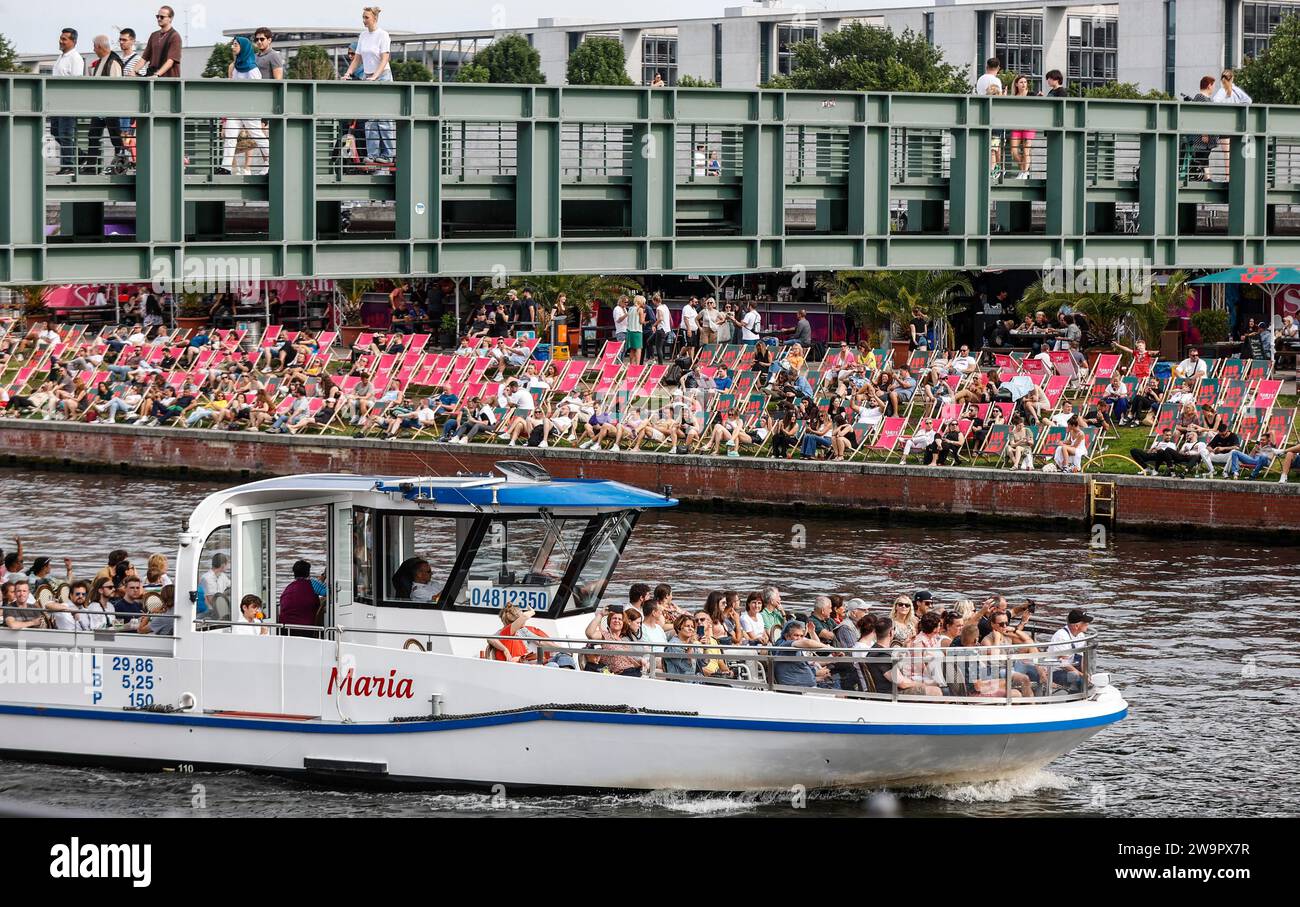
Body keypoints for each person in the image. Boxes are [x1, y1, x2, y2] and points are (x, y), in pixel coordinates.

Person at [343, 6, 396, 165]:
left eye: (366, 17)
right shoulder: (363, 36)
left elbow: (385, 58)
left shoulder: (383, 35)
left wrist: (375, 76)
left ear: (374, 18)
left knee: (383, 118)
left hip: (383, 76)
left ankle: (388, 154)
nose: (364, 20)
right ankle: (373, 155)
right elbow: (357, 58)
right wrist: (348, 73)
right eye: (363, 17)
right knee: (370, 119)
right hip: (369, 77)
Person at [217, 37, 267, 176]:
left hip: (249, 109)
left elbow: (258, 91)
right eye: (233, 44)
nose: (233, 47)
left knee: (257, 135)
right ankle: (225, 167)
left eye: (235, 45)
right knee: (230, 135)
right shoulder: (235, 67)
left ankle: (271, 162)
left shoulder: (252, 69)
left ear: (243, 48)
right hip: (236, 108)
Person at [82, 36, 125, 175]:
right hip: (101, 107)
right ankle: (90, 167)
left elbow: (117, 86)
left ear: (100, 47)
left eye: (94, 46)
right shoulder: (103, 61)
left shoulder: (113, 62)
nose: (93, 49)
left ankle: (120, 166)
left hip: (110, 107)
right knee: (93, 135)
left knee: (115, 137)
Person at [51, 28, 85, 175]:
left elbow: (76, 81)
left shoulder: (75, 58)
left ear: (73, 42)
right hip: (56, 103)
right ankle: (81, 156)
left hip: (67, 103)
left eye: (65, 39)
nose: (61, 41)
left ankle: (68, 166)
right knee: (55, 132)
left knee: (65, 134)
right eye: (61, 38)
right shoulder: (61, 57)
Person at [773, 620, 830, 688]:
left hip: (809, 686)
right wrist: (829, 647)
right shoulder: (785, 644)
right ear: (787, 636)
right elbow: (808, 643)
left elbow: (816, 645)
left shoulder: (797, 648)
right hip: (799, 691)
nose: (799, 638)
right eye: (796, 635)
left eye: (801, 636)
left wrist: (812, 632)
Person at [1048, 609, 1092, 694]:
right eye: (1085, 622)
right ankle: (1073, 700)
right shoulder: (1061, 637)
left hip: (1071, 668)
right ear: (1076, 626)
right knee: (1078, 679)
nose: (1088, 624)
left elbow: (1081, 657)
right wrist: (1080, 674)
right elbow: (1063, 663)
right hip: (1056, 671)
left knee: (1085, 679)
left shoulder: (1081, 635)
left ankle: (1081, 695)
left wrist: (1085, 673)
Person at [279, 559, 324, 636]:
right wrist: (320, 582)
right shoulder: (312, 583)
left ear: (294, 573)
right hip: (305, 628)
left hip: (285, 628)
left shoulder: (289, 587)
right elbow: (329, 592)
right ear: (308, 572)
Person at [142, 6, 183, 78]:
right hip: (153, 78)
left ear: (170, 18)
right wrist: (134, 71)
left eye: (162, 17)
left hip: (168, 81)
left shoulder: (175, 36)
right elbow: (144, 58)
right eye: (157, 16)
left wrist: (157, 75)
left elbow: (170, 61)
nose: (159, 19)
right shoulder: (153, 35)